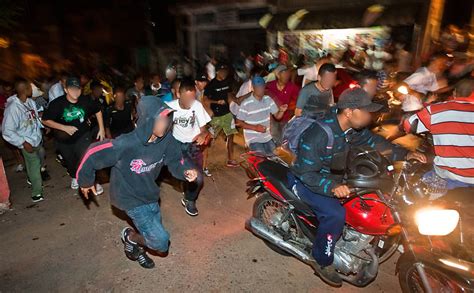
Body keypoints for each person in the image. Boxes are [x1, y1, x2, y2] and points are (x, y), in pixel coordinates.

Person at [289, 88, 426, 286]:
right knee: (335, 214)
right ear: (350, 112)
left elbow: (376, 142)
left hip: (335, 177)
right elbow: (305, 173)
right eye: (366, 111)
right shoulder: (318, 134)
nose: (371, 115)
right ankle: (321, 259)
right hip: (306, 181)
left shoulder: (351, 130)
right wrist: (332, 187)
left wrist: (405, 155)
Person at [77, 99, 198, 269]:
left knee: (151, 231)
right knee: (161, 241)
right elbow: (93, 152)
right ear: (148, 120)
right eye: (160, 119)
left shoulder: (167, 140)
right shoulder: (127, 143)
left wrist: (185, 171)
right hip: (129, 197)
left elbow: (175, 161)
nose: (164, 124)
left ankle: (135, 246)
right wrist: (85, 180)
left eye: (166, 119)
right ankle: (130, 237)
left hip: (150, 194)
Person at [404, 79, 474, 188]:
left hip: (448, 177)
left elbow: (408, 125)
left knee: (415, 189)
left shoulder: (436, 110)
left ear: (454, 93)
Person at [42, 77, 105, 191]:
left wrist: (102, 129)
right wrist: (64, 127)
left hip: (83, 135)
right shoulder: (57, 104)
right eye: (72, 89)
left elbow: (97, 110)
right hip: (64, 140)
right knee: (70, 160)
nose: (75, 91)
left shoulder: (85, 100)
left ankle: (94, 182)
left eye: (77, 89)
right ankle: (74, 176)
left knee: (87, 157)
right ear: (66, 90)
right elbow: (45, 120)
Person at [166, 79, 211, 216]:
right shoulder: (169, 106)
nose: (190, 101)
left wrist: (203, 135)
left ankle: (188, 198)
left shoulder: (196, 106)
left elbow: (204, 129)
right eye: (187, 98)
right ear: (179, 94)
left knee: (199, 178)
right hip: (177, 146)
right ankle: (190, 198)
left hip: (193, 145)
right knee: (190, 176)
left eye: (192, 97)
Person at [2, 79, 44, 202]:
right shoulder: (13, 108)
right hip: (27, 143)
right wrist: (23, 142)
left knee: (40, 157)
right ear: (25, 90)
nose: (32, 89)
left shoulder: (30, 102)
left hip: (36, 139)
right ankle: (36, 193)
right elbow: (7, 131)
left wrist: (43, 125)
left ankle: (31, 177)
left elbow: (34, 118)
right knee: (35, 165)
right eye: (30, 87)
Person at [236, 76, 287, 156]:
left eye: (262, 86)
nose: (261, 89)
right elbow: (238, 122)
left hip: (267, 137)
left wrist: (281, 111)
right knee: (261, 160)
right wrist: (255, 128)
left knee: (275, 158)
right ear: (253, 88)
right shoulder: (246, 104)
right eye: (258, 87)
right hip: (253, 138)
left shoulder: (268, 99)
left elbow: (277, 117)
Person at [203, 63, 239, 167]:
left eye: (226, 72)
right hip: (216, 116)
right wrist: (216, 102)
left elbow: (229, 94)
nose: (224, 73)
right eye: (222, 71)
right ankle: (204, 162)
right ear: (217, 72)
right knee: (209, 138)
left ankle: (230, 159)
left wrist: (234, 101)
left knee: (230, 136)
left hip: (228, 114)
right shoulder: (211, 85)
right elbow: (205, 100)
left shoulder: (227, 82)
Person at [265, 65, 300, 144]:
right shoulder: (270, 85)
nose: (287, 76)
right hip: (272, 117)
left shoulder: (292, 87)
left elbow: (299, 99)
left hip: (285, 117)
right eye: (285, 74)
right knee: (274, 136)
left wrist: (293, 109)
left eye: (288, 74)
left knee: (283, 137)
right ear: (278, 75)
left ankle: (280, 153)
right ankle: (275, 153)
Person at [194, 73, 212, 176]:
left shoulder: (203, 92)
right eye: (201, 81)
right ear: (196, 82)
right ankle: (196, 169)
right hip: (195, 125)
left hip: (203, 123)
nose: (204, 83)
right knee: (197, 148)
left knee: (205, 146)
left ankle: (204, 167)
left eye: (205, 81)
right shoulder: (193, 93)